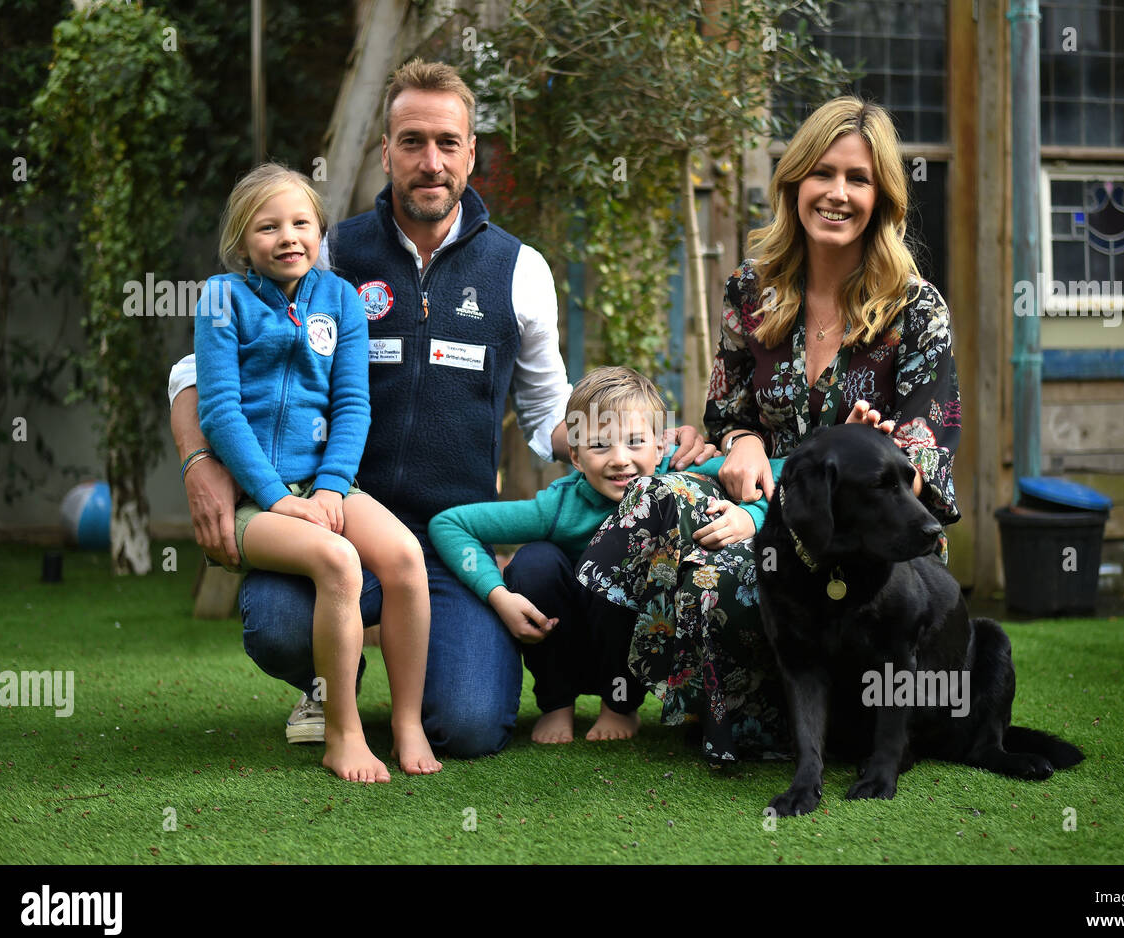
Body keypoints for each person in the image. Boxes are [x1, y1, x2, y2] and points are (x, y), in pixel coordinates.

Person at [168, 59, 711, 758]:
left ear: (471, 152)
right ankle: (330, 681)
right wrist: (197, 457)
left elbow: (553, 413)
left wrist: (641, 444)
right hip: (341, 517)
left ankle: (420, 691)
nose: (431, 161)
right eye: (413, 141)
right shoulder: (330, 252)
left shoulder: (520, 270)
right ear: (387, 149)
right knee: (274, 620)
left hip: (450, 540)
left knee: (471, 727)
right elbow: (201, 368)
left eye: (447, 143)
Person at [575, 95, 962, 764]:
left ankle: (754, 725)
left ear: (883, 197)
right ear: (795, 182)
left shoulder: (916, 307)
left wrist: (874, 447)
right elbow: (727, 416)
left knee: (726, 564)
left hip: (870, 545)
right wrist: (744, 441)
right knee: (659, 494)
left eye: (858, 179)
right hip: (756, 507)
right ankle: (607, 657)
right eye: (823, 173)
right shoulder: (749, 293)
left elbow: (927, 456)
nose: (837, 193)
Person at [192, 162, 438, 782]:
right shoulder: (222, 299)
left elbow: (353, 403)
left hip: (326, 482)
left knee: (406, 557)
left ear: (320, 231)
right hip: (256, 499)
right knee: (339, 562)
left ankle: (406, 722)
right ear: (241, 241)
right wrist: (275, 497)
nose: (288, 237)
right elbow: (219, 411)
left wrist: (331, 485)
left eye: (301, 222)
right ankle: (343, 731)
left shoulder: (340, 299)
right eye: (267, 227)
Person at [429, 366, 782, 744]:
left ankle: (619, 705)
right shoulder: (561, 507)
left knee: (628, 569)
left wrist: (751, 514)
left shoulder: (681, 473)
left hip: (631, 643)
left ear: (661, 445)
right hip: (566, 635)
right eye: (600, 446)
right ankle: (556, 704)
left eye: (634, 442)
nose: (619, 459)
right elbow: (448, 525)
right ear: (576, 457)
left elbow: (779, 474)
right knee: (534, 563)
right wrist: (497, 595)